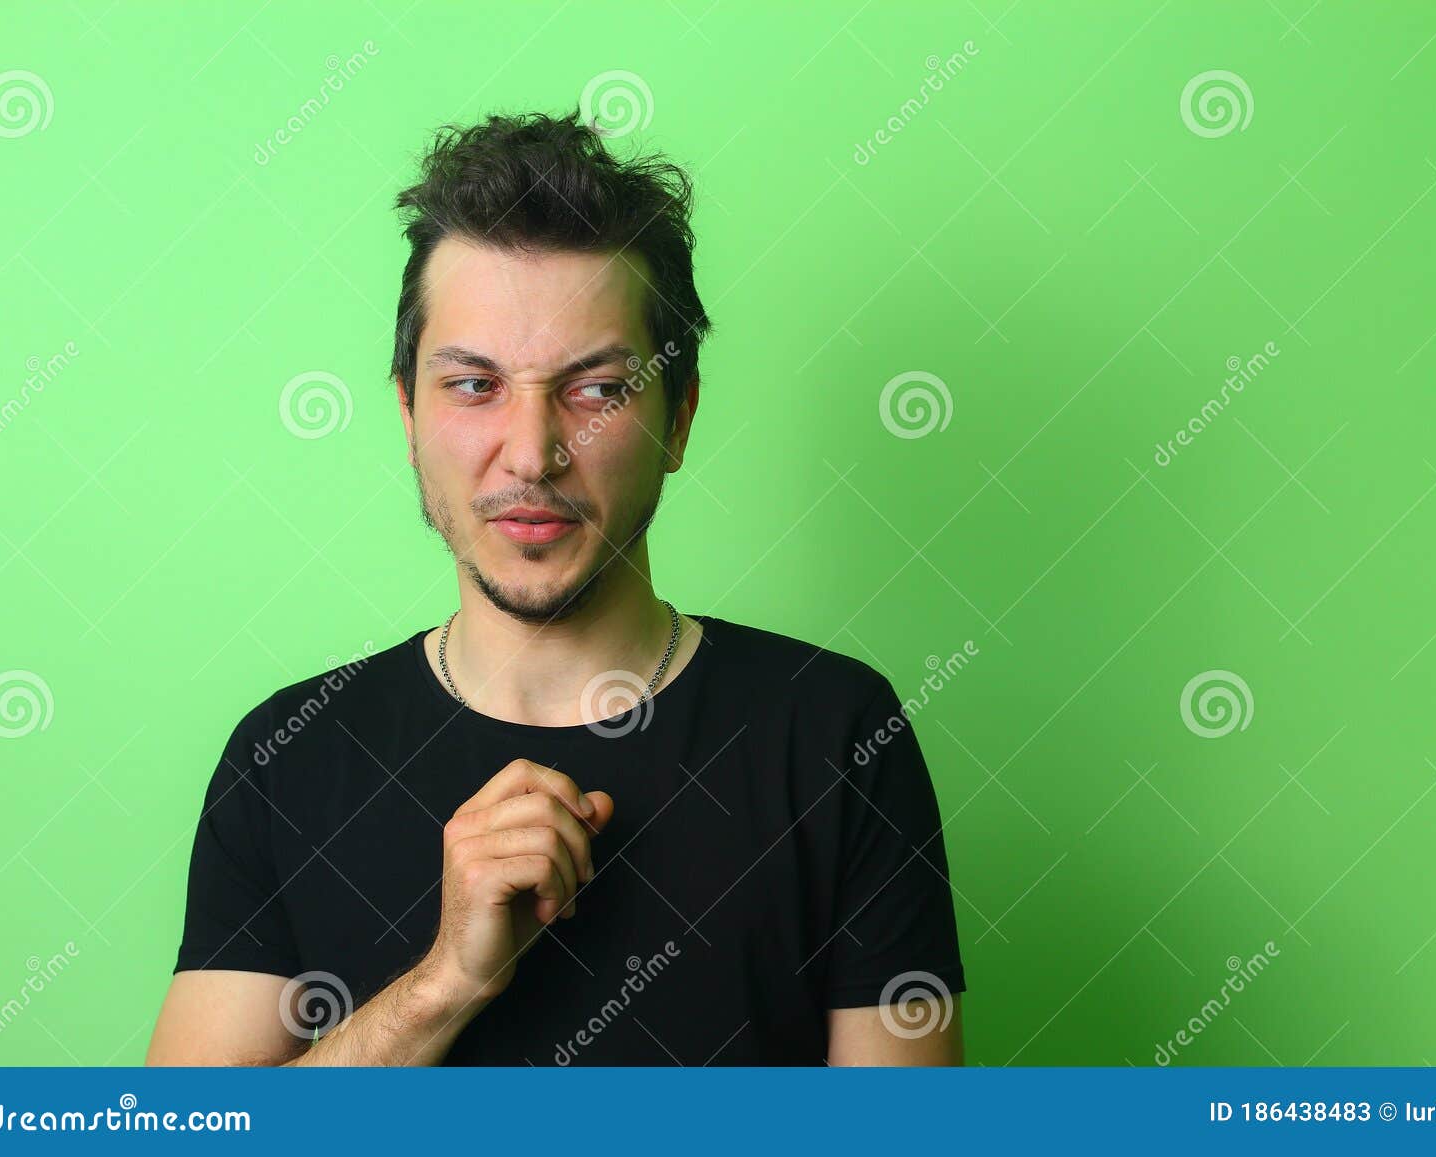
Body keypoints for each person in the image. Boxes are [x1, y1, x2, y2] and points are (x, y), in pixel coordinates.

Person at [146, 110, 965, 1066]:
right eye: (475, 385)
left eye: (597, 389)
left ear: (680, 415)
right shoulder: (287, 759)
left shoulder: (834, 734)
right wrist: (445, 982)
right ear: (409, 413)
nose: (532, 455)